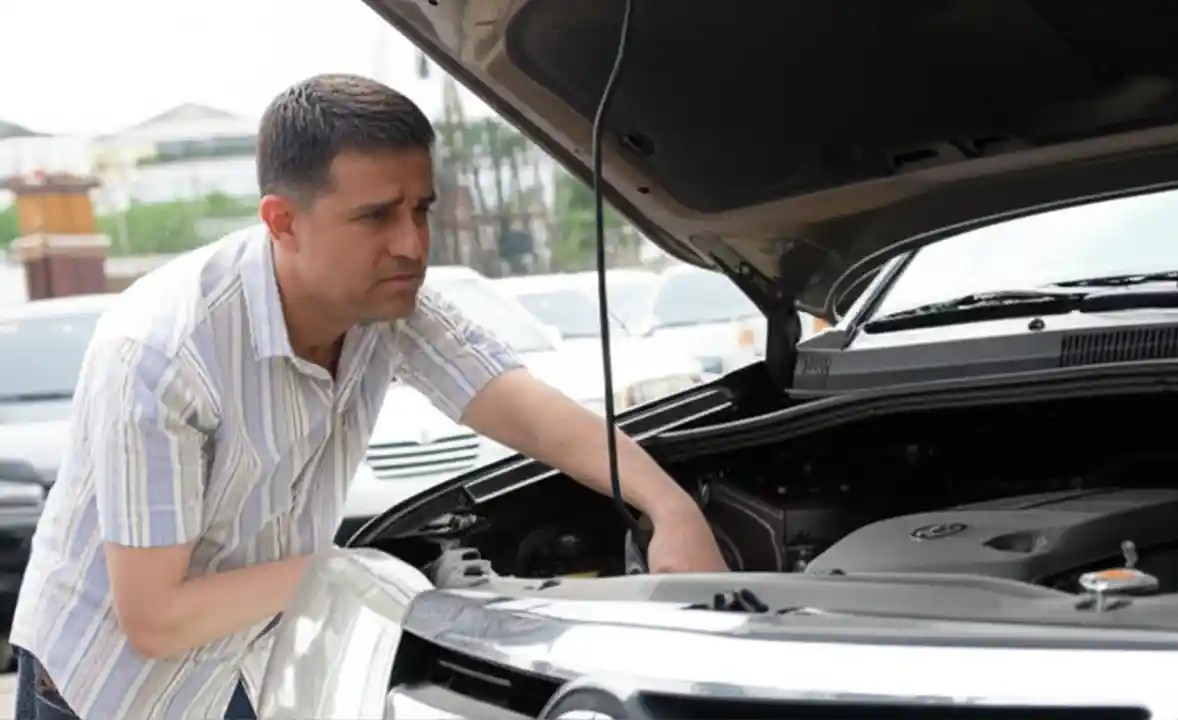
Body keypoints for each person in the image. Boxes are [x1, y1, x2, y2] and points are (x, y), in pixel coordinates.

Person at [10, 73, 726, 720]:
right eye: (376, 216)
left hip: (237, 664)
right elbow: (156, 619)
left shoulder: (388, 308)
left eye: (422, 208)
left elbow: (519, 404)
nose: (413, 244)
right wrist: (357, 572)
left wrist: (668, 505)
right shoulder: (162, 355)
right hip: (101, 689)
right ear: (282, 221)